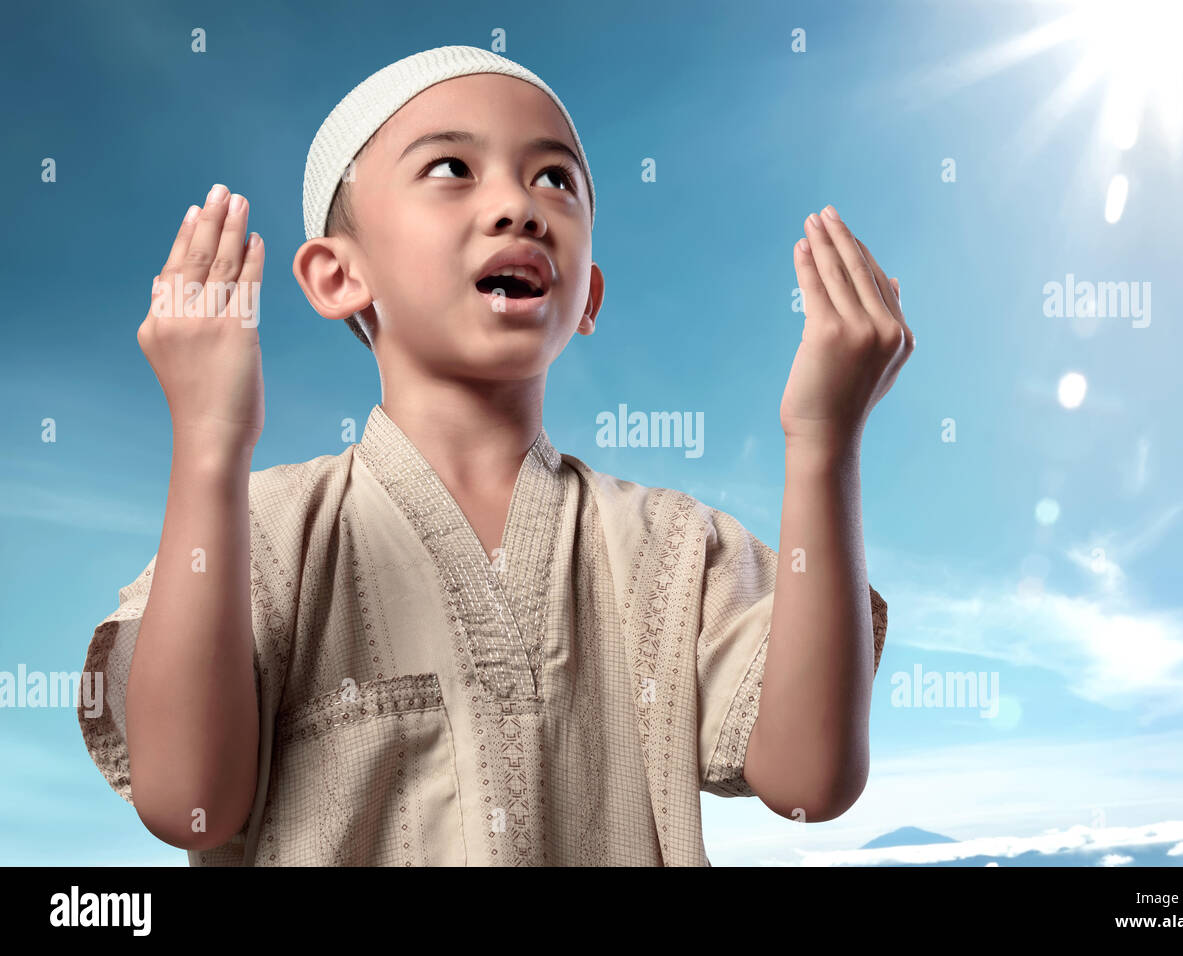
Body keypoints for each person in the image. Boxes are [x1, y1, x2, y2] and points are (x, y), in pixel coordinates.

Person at [76, 45, 910, 866]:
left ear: (588, 295)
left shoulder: (676, 547)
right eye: (450, 168)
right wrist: (208, 440)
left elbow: (810, 780)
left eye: (555, 179)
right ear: (337, 275)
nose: (520, 205)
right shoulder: (261, 531)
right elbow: (187, 800)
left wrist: (825, 444)